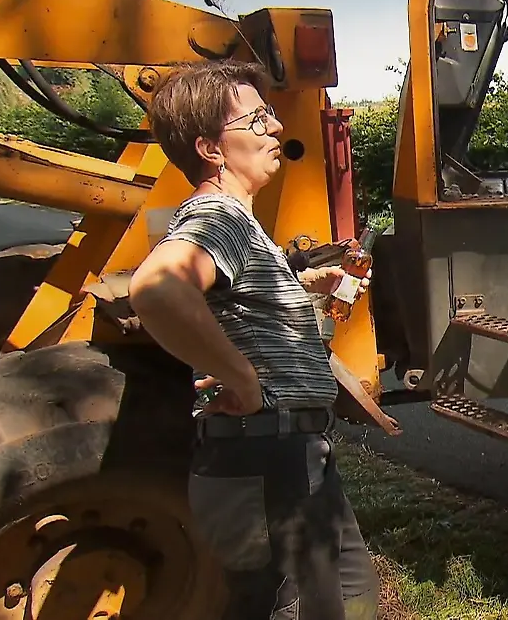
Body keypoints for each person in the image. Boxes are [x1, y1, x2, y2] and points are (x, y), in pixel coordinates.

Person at [128, 59, 380, 620]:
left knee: (354, 598)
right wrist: (243, 378)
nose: (274, 129)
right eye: (258, 119)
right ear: (211, 150)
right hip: (267, 458)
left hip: (294, 453)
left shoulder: (242, 223)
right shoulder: (219, 216)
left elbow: (241, 310)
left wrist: (300, 288)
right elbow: (158, 288)